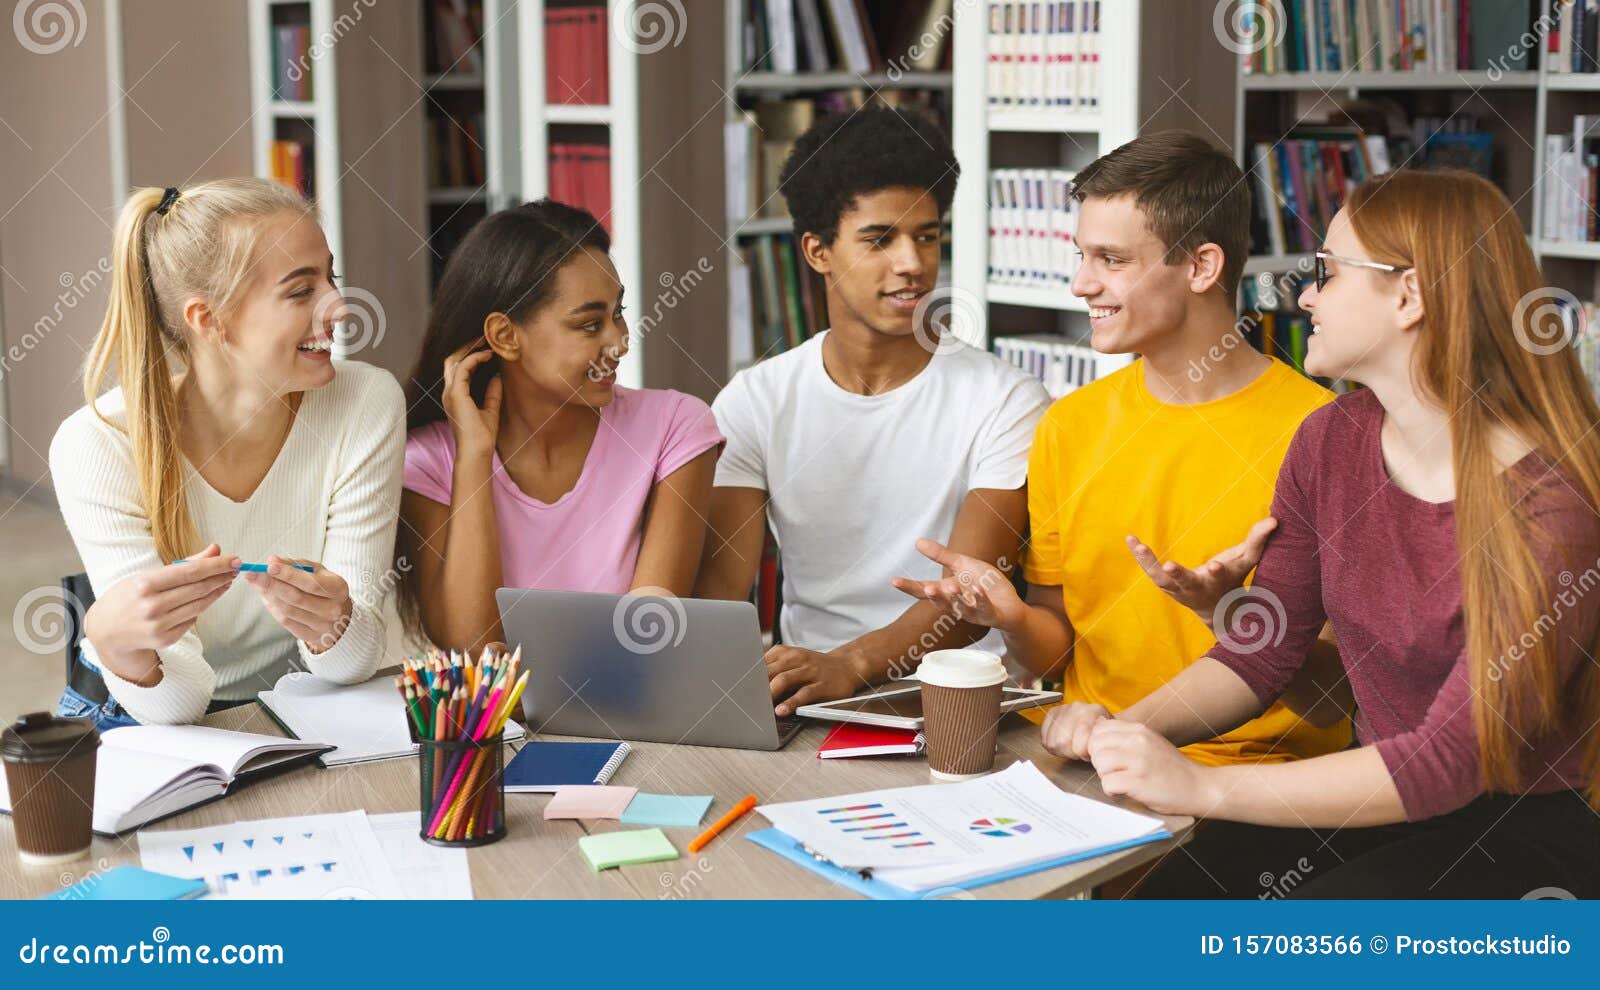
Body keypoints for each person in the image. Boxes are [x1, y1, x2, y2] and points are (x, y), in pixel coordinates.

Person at [1048, 169, 1600, 898]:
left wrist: (1203, 790)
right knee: (1156, 914)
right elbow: (1259, 652)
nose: (1304, 297)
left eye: (1329, 275)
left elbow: (1450, 760)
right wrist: (1118, 736)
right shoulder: (1329, 441)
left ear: (1410, 296)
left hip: (1521, 829)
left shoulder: (1554, 502)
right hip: (1372, 794)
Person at [894, 131, 1351, 779]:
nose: (1081, 284)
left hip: (1247, 775)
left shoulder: (1324, 434)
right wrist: (1013, 618)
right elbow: (1057, 651)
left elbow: (1337, 697)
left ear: (1202, 267)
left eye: (1111, 259)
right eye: (1081, 255)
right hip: (1075, 758)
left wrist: (1232, 621)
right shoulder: (1068, 426)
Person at [695, 106, 1051, 715]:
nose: (912, 263)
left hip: (959, 696)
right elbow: (724, 593)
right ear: (817, 251)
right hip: (805, 696)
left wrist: (853, 663)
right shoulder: (754, 401)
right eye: (880, 239)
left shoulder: (1007, 399)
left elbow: (971, 599)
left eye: (928, 236)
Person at [50, 178, 406, 729]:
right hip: (132, 717)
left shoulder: (366, 403)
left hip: (294, 709)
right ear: (208, 319)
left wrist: (334, 624)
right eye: (300, 291)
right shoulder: (95, 443)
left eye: (330, 277)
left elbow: (354, 663)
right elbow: (178, 705)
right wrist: (117, 644)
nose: (339, 306)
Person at [396, 200, 723, 653]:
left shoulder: (677, 429)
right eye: (590, 325)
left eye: (618, 313)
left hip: (627, 716)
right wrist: (473, 457)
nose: (621, 342)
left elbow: (647, 637)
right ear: (506, 336)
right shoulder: (429, 462)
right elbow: (474, 651)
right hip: (501, 726)